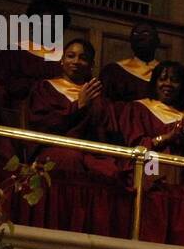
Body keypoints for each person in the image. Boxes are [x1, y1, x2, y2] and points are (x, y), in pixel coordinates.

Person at [24, 38, 118, 177]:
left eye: (83, 58)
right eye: (70, 56)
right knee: (71, 158)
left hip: (89, 151)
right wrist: (78, 106)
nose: (75, 61)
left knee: (112, 169)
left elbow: (105, 133)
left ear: (91, 65)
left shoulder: (97, 95)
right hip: (53, 148)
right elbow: (42, 125)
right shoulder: (45, 88)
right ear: (62, 60)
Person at [112, 60, 184, 154]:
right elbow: (136, 146)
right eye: (162, 79)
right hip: (147, 166)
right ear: (155, 83)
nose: (168, 84)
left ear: (183, 86)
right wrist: (167, 137)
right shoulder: (138, 109)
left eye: (175, 80)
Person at [99, 21, 162, 103]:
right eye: (135, 34)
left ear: (157, 41)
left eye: (145, 34)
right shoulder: (113, 71)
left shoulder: (165, 74)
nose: (140, 38)